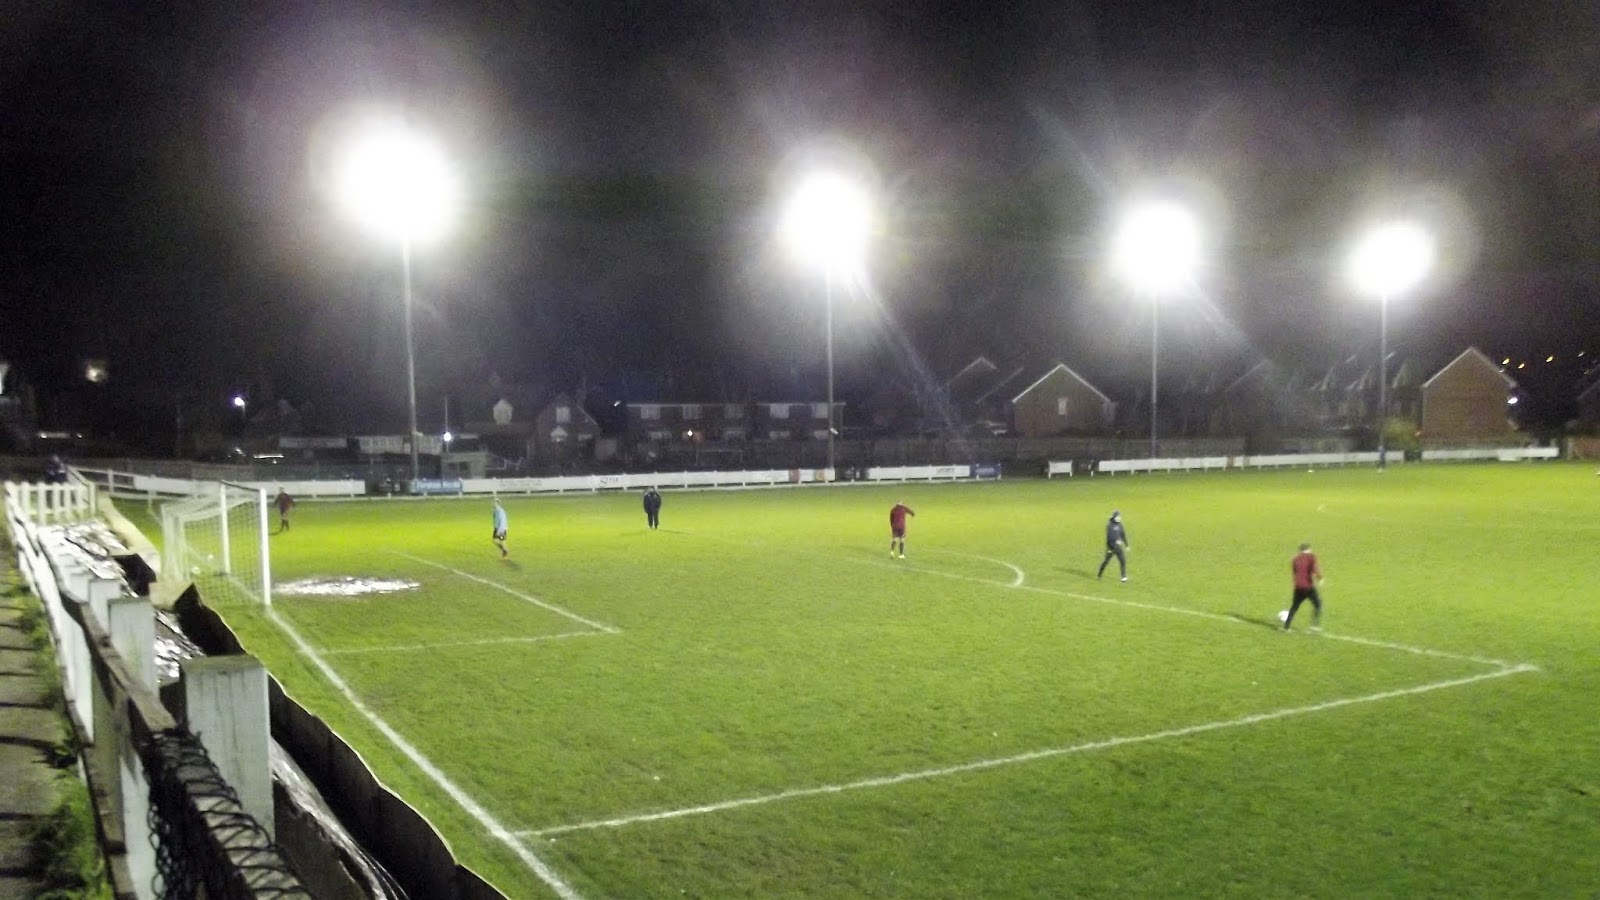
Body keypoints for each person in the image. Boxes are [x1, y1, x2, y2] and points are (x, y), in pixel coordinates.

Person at [1283, 542, 1323, 631]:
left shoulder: (1295, 559)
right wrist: (1319, 578)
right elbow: (1314, 568)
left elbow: (1295, 572)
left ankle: (1286, 627)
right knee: (1318, 605)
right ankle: (1314, 626)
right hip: (1308, 586)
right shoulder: (1311, 557)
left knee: (1294, 607)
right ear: (1308, 549)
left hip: (1298, 587)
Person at [1097, 509, 1130, 581]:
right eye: (1117, 517)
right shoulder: (1110, 526)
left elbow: (1122, 534)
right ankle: (1099, 574)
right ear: (1114, 517)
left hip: (1118, 547)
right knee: (1106, 561)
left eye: (1119, 517)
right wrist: (1115, 542)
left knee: (1122, 561)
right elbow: (1109, 537)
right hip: (1111, 547)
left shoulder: (1120, 525)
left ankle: (1123, 577)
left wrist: (1126, 545)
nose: (1119, 518)